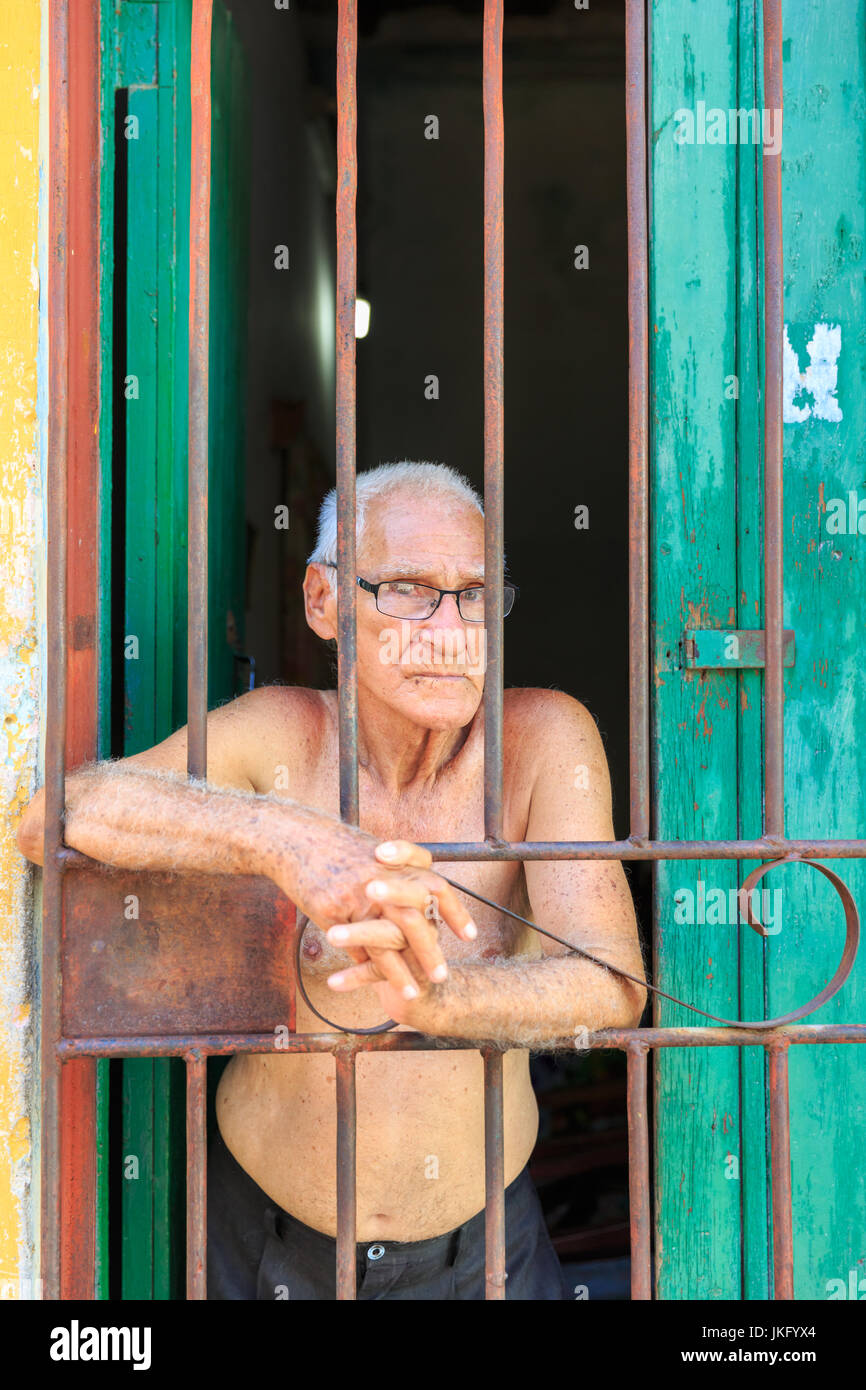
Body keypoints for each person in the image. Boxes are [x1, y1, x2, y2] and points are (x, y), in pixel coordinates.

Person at [17, 460, 646, 1300]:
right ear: (324, 602)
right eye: (410, 590)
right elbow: (57, 816)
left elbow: (613, 985)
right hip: (260, 1240)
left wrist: (437, 1001)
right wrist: (284, 838)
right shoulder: (282, 737)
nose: (450, 629)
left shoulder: (543, 742)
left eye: (473, 594)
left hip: (482, 1252)